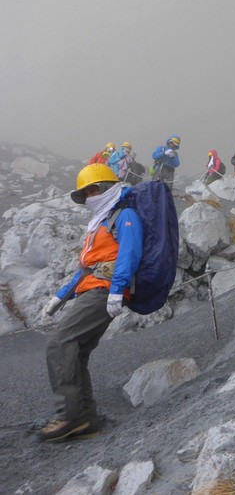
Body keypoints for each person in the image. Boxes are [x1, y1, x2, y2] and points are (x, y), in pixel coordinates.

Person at [37, 164, 142, 442]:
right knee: (76, 350)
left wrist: (118, 290)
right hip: (93, 289)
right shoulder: (100, 221)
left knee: (60, 344)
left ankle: (69, 416)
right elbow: (87, 268)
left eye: (93, 189)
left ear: (107, 188)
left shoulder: (124, 215)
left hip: (104, 290)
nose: (89, 196)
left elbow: (129, 255)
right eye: (85, 192)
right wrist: (59, 297)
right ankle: (84, 420)